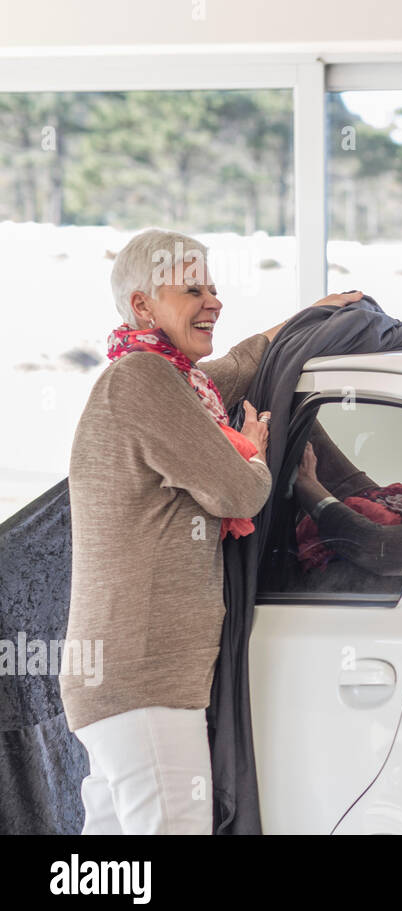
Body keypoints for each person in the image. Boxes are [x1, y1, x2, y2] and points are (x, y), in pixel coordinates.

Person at [59, 227, 363, 834]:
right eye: (192, 289)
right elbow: (239, 491)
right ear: (142, 305)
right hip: (146, 675)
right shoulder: (142, 380)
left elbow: (237, 368)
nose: (214, 301)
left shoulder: (167, 382)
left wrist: (304, 320)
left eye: (216, 288)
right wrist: (251, 450)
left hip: (121, 677)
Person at [291, 438, 402, 578]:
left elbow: (376, 545)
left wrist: (308, 484)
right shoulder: (383, 495)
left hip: (331, 600)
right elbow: (325, 456)